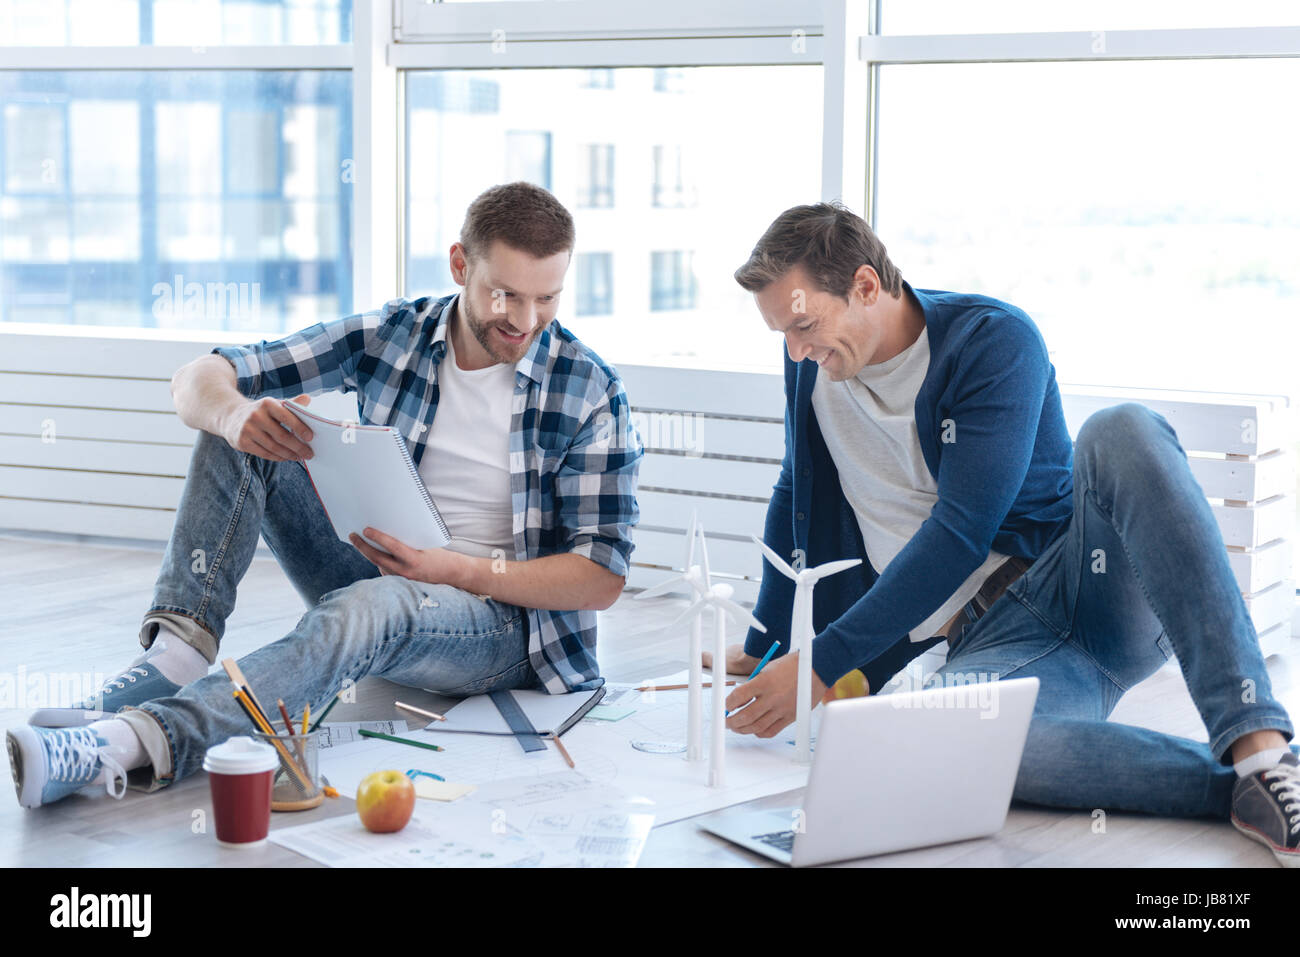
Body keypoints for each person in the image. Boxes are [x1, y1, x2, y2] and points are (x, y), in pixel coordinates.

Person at [8, 182, 642, 808]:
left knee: (379, 603)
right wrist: (235, 416)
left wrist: (454, 570)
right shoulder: (396, 332)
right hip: (379, 568)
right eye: (505, 295)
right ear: (459, 265)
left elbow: (600, 578)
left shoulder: (588, 391)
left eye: (547, 299)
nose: (524, 322)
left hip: (500, 630)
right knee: (247, 426)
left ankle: (127, 743)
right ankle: (175, 656)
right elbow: (198, 378)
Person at [712, 201, 1299, 866]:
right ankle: (1255, 787)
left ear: (866, 286)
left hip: (1082, 582)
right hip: (991, 642)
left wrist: (819, 664)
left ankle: (1260, 746)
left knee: (1122, 428)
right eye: (781, 335)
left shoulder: (992, 341)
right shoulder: (813, 368)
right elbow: (798, 487)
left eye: (803, 323)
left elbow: (963, 531)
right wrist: (765, 645)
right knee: (961, 745)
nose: (794, 350)